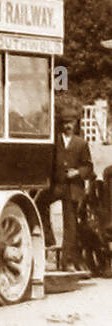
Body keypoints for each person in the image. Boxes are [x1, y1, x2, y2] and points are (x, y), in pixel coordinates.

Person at [41, 101, 94, 271]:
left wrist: (78, 172)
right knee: (38, 204)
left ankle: (67, 260)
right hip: (57, 186)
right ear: (61, 125)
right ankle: (48, 241)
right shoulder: (54, 142)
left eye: (70, 123)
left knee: (70, 225)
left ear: (76, 123)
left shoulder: (81, 143)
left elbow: (88, 166)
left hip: (73, 189)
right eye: (65, 123)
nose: (68, 126)